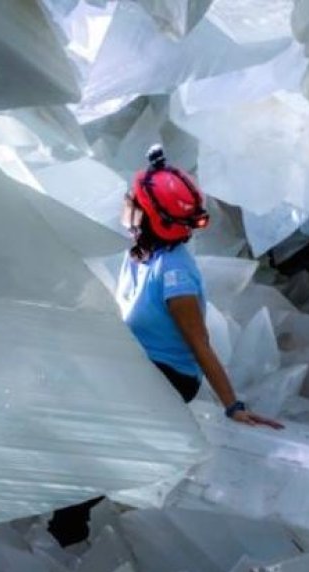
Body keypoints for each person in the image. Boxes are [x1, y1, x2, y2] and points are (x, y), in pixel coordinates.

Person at [117, 145, 283, 429]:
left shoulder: (174, 274)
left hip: (168, 376)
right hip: (139, 361)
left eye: (131, 199)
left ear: (145, 215)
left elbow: (199, 342)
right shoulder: (142, 252)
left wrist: (233, 406)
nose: (125, 201)